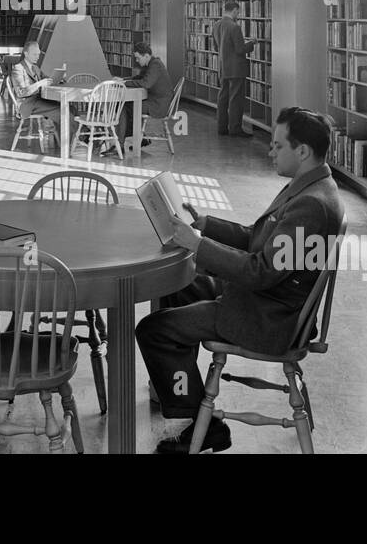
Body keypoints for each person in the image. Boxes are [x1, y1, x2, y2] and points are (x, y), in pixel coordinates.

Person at [136, 106, 344, 454]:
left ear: (303, 151)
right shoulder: (309, 186)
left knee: (153, 330)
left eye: (278, 145)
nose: (270, 151)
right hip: (267, 298)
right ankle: (179, 386)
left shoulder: (311, 204)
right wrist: (204, 223)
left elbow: (260, 272)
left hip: (267, 316)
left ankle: (204, 424)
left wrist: (198, 245)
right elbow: (255, 237)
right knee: (177, 286)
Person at [113, 42, 172, 154]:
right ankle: (139, 138)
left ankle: (121, 144)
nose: (136, 61)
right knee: (126, 106)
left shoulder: (155, 65)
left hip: (159, 105)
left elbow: (146, 83)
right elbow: (138, 78)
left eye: (138, 58)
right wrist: (123, 80)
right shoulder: (150, 64)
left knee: (124, 106)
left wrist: (124, 83)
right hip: (155, 101)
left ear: (146, 56)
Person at [8, 39, 59, 144]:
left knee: (67, 108)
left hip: (38, 101)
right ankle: (76, 139)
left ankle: (66, 140)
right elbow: (21, 92)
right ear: (26, 54)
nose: (38, 57)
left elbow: (47, 78)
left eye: (38, 54)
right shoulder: (18, 69)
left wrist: (58, 78)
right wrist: (39, 84)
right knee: (62, 110)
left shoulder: (35, 68)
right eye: (35, 54)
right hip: (26, 104)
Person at [211, 0, 249, 137]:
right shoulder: (235, 27)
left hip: (223, 68)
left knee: (223, 98)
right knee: (235, 99)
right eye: (238, 12)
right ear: (234, 11)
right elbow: (240, 49)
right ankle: (235, 129)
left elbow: (216, 47)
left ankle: (222, 128)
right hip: (236, 69)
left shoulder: (216, 25)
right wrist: (251, 44)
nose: (238, 14)